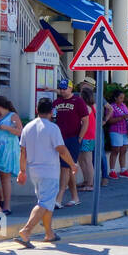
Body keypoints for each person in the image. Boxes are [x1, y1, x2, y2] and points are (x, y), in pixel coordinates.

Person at [15, 97, 77, 246]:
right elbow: (61, 149)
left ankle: (49, 234)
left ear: (37, 110)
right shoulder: (52, 128)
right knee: (44, 203)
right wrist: (72, 164)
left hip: (34, 171)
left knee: (46, 202)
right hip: (49, 171)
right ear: (51, 112)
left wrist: (22, 171)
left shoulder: (27, 127)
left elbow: (23, 152)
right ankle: (26, 230)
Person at [51, 79, 87, 207]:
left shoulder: (78, 101)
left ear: (70, 88)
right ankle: (75, 197)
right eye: (60, 88)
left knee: (65, 167)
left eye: (64, 88)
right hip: (59, 139)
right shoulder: (56, 102)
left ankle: (59, 198)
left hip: (72, 138)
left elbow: (85, 121)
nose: (62, 90)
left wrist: (80, 137)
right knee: (68, 167)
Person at [0, 95, 22, 214]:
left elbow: (20, 131)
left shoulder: (13, 116)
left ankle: (6, 206)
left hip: (7, 150)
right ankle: (1, 197)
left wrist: (6, 128)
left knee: (5, 178)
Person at [104, 89, 128, 179]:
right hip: (115, 131)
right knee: (115, 150)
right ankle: (112, 170)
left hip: (125, 131)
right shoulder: (111, 107)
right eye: (120, 98)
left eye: (123, 98)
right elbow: (109, 121)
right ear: (115, 98)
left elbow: (127, 116)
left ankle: (123, 169)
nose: (122, 100)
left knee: (123, 150)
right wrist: (123, 117)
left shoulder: (124, 106)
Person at [77, 88, 99, 191]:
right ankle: (86, 181)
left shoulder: (85, 107)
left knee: (86, 160)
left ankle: (90, 183)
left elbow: (82, 122)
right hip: (91, 135)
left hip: (86, 136)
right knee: (82, 160)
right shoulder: (93, 106)